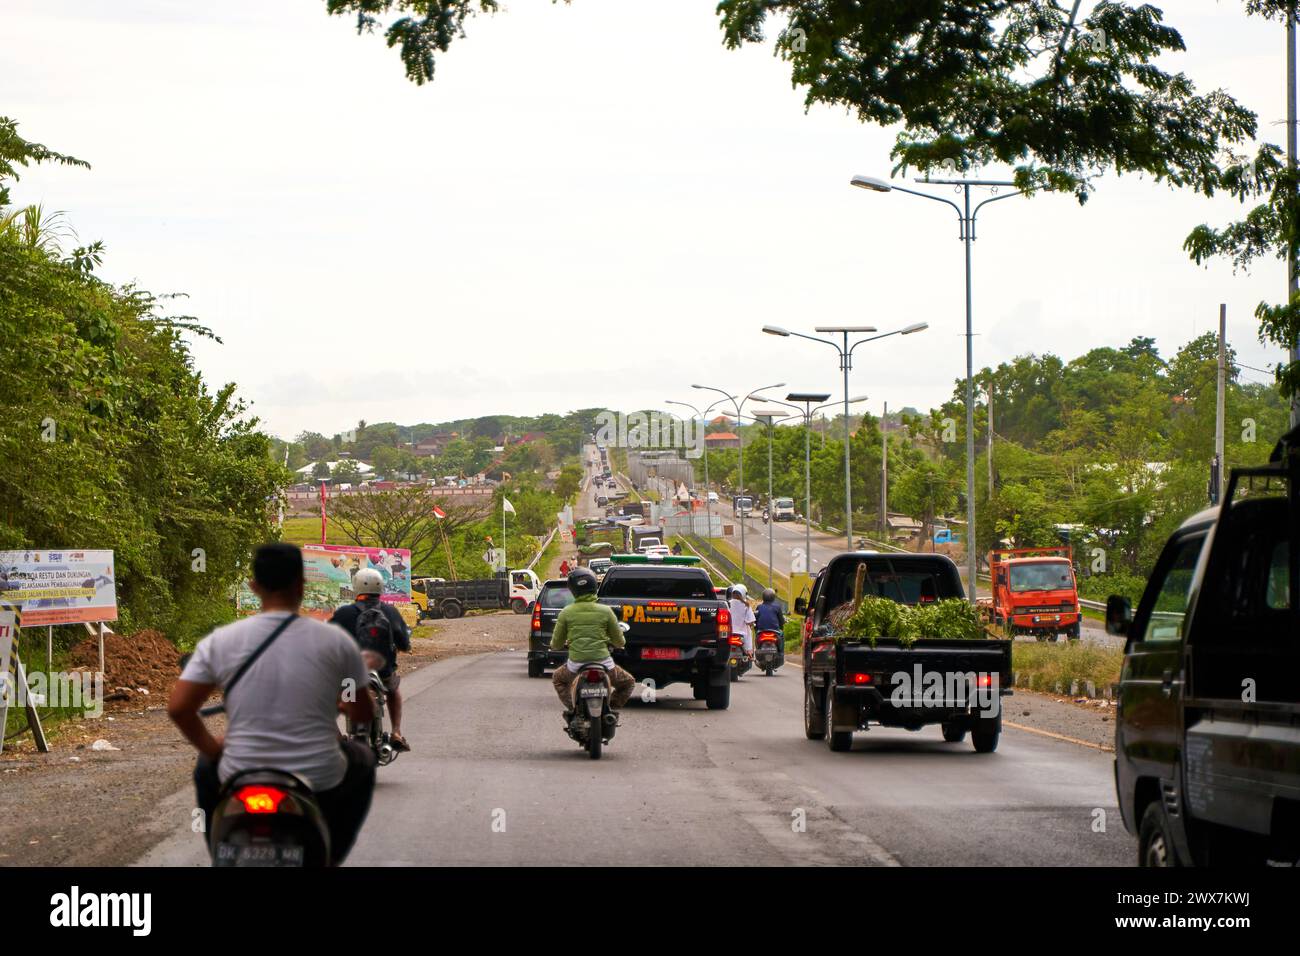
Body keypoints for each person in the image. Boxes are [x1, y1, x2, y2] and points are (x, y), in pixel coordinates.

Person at [168, 543, 377, 864]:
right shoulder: (335, 642)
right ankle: (330, 855)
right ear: (302, 586)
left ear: (254, 586)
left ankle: (221, 852)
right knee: (362, 761)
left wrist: (214, 749)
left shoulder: (221, 641)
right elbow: (363, 712)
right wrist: (336, 702)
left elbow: (180, 709)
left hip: (240, 769)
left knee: (205, 768)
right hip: (318, 774)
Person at [329, 568, 412, 751]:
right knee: (393, 690)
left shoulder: (344, 614)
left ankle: (335, 735)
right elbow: (404, 643)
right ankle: (397, 732)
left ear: (356, 587)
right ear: (380, 587)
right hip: (383, 675)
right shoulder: (391, 612)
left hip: (350, 679)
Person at [549, 567, 636, 723]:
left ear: (573, 590)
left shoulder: (566, 612)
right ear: (595, 587)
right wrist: (613, 642)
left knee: (558, 678)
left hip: (575, 665)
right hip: (605, 664)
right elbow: (619, 641)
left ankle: (574, 711)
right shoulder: (606, 611)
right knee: (628, 682)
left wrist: (560, 645)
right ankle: (610, 710)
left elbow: (556, 644)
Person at [754, 587, 786, 666]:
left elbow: (755, 620)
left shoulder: (759, 607)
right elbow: (781, 620)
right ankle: (781, 652)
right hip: (774, 631)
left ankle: (758, 649)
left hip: (761, 631)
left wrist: (756, 628)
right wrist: (781, 627)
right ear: (773, 597)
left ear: (763, 597)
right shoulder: (777, 607)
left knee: (756, 637)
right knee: (782, 635)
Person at [727, 584, 757, 655]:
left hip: (729, 632)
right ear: (744, 594)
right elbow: (750, 621)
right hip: (742, 634)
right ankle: (749, 653)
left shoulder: (727, 604)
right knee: (749, 632)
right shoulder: (746, 605)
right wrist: (752, 624)